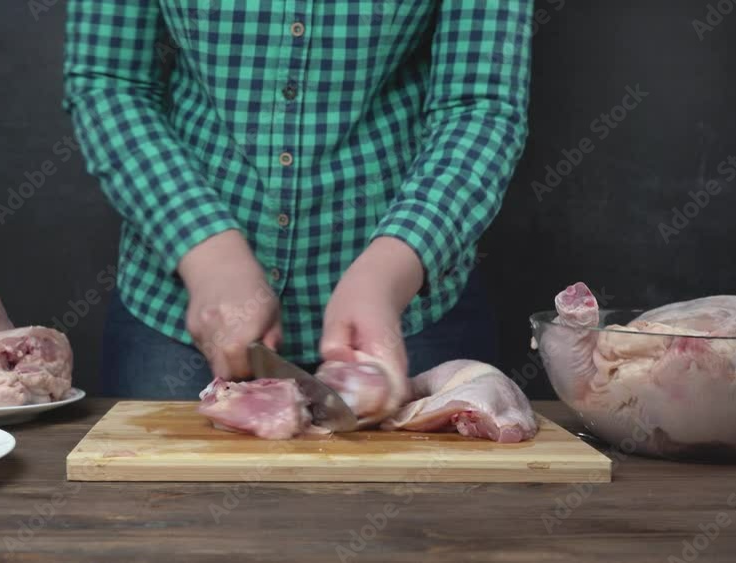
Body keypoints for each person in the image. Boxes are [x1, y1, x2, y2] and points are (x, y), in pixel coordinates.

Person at [63, 1, 532, 399]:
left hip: (410, 320)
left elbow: (480, 104)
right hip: (177, 320)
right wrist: (207, 254)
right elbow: (109, 82)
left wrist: (387, 275)